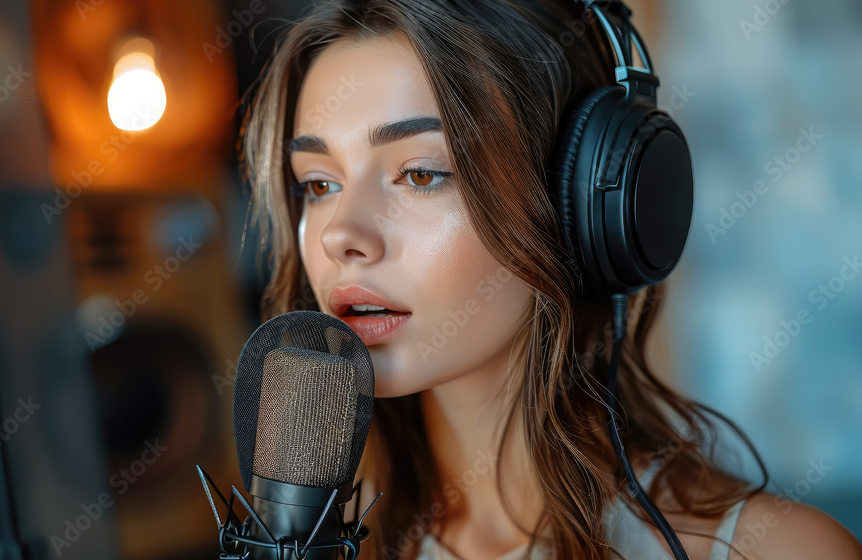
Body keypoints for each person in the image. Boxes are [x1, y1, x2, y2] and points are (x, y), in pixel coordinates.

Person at [237, 0, 862, 558]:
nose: (338, 234)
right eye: (318, 185)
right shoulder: (308, 542)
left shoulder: (777, 550)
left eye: (420, 174)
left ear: (586, 204)